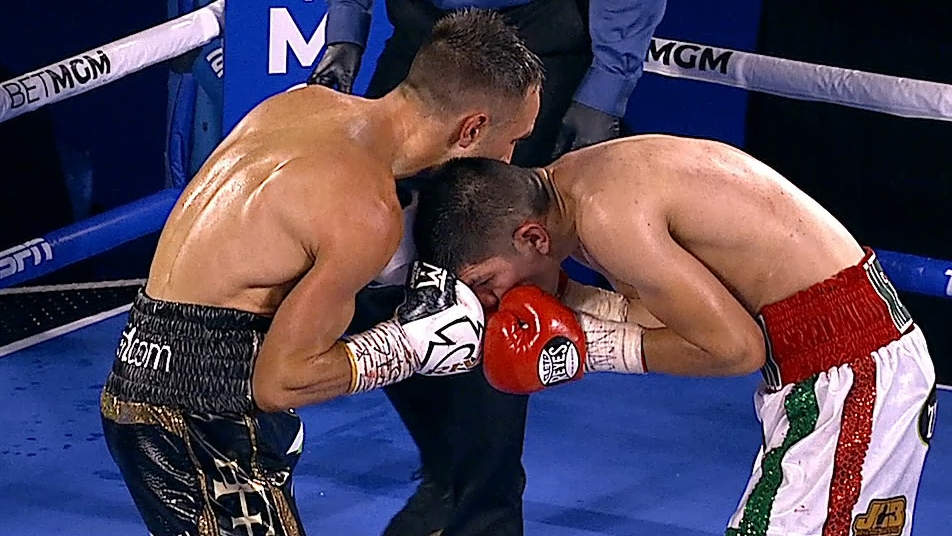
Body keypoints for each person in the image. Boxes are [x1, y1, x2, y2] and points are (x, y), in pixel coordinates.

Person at [97, 10, 544, 536]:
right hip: (203, 411)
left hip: (149, 363)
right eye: (514, 140)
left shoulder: (301, 104)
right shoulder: (366, 209)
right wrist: (407, 347)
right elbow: (282, 381)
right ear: (471, 128)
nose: (509, 160)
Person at [411, 135, 939, 536]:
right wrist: (574, 303)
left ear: (531, 236)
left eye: (485, 282)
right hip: (844, 360)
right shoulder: (576, 185)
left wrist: (590, 349)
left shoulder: (607, 219)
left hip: (851, 370)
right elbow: (666, 315)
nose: (491, 301)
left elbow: (733, 349)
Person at [308, 1, 666, 534]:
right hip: (426, 48)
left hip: (530, 50)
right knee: (369, 264)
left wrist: (605, 85)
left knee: (492, 285)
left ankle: (487, 514)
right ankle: (450, 470)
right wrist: (346, 31)